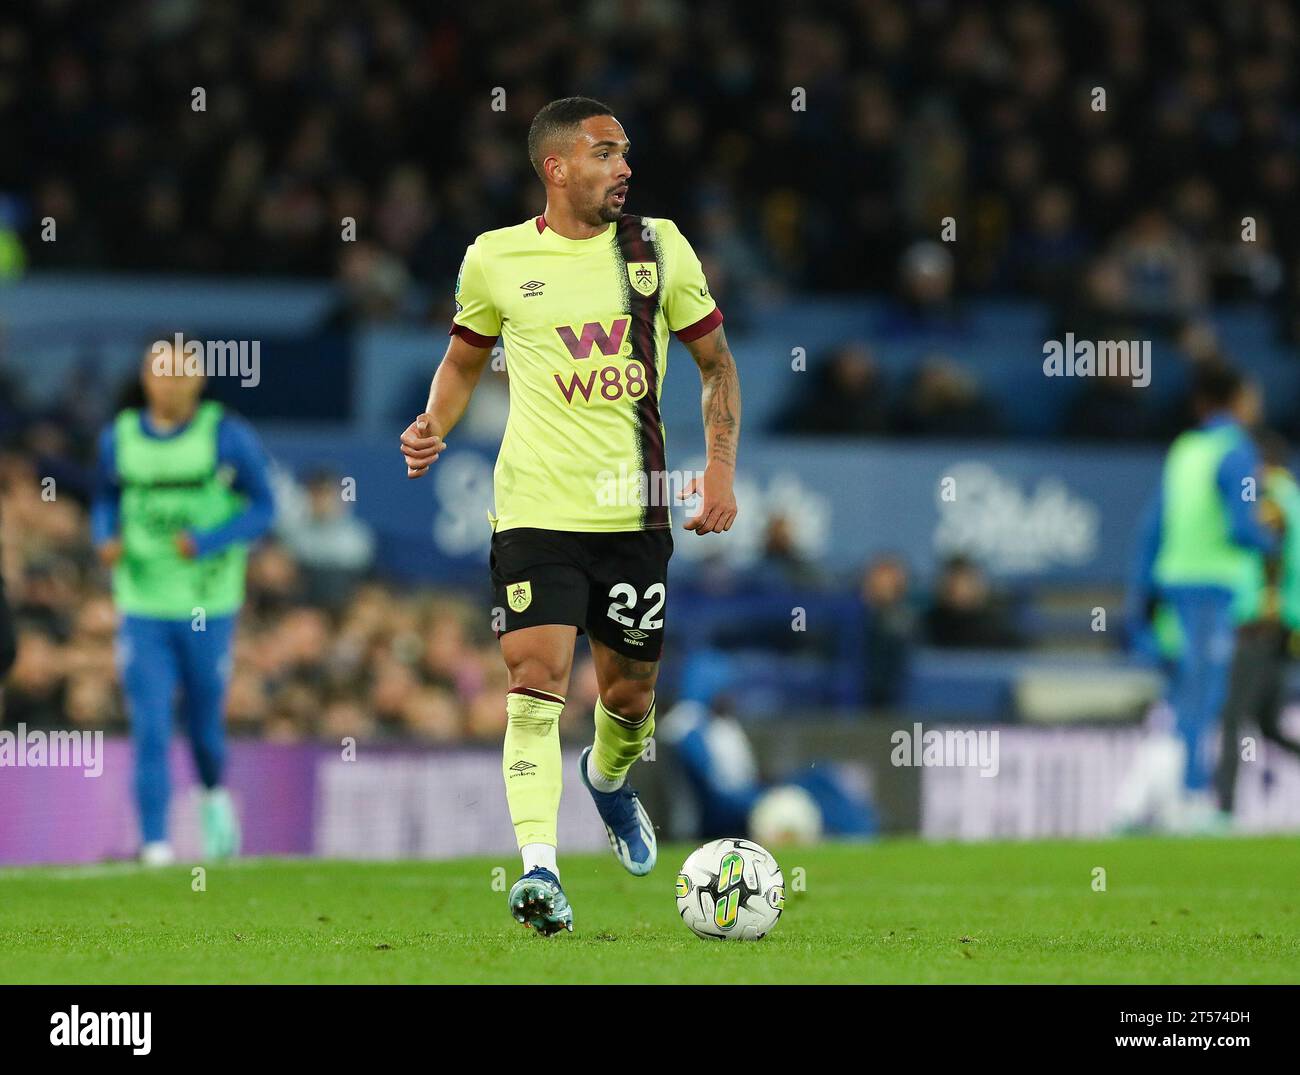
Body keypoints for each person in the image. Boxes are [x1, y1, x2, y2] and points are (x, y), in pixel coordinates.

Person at [399, 97, 740, 936]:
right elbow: (462, 361)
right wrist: (432, 423)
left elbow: (715, 364)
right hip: (534, 508)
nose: (625, 167)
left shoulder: (659, 247)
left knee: (629, 697)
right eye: (606, 153)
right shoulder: (495, 259)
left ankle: (611, 780)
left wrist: (722, 470)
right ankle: (540, 872)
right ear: (556, 167)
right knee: (534, 681)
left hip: (635, 512)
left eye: (626, 153)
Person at [91, 341, 274, 864]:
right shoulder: (120, 437)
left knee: (203, 724)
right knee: (149, 723)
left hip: (207, 602)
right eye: (161, 372)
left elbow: (264, 506)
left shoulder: (225, 435)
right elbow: (104, 496)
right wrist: (105, 534)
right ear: (146, 379)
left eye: (182, 373)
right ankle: (155, 846)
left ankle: (214, 794)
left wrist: (209, 541)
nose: (171, 382)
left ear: (198, 380)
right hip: (142, 600)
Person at [1139, 364, 1277, 830]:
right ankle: (1191, 797)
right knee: (1204, 691)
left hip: (1175, 581)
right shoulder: (1237, 452)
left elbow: (1152, 525)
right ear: (1239, 399)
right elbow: (1243, 526)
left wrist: (1139, 596)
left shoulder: (1184, 450)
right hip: (1212, 586)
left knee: (1187, 690)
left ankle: (1171, 795)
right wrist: (1274, 540)